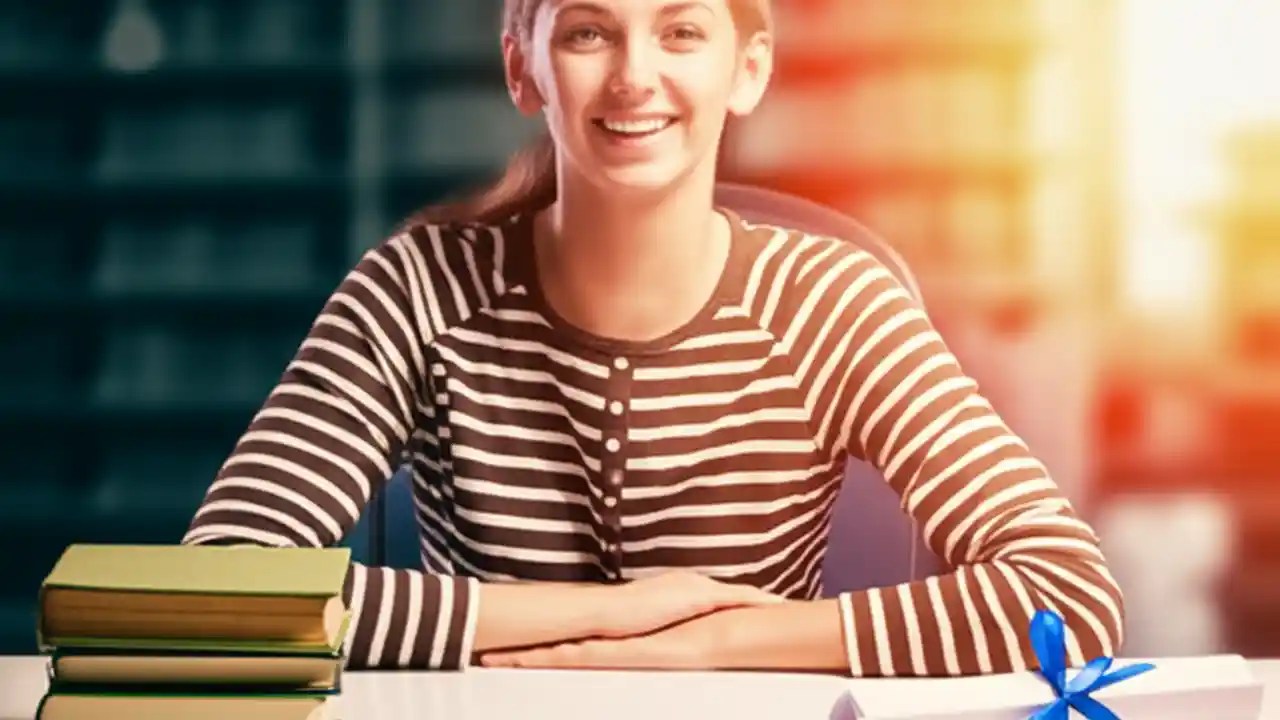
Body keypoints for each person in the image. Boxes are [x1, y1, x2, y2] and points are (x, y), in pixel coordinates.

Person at [183, 0, 1125, 676]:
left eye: (682, 30)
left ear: (746, 67)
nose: (636, 76)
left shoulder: (833, 301)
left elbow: (1069, 594)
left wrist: (714, 642)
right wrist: (608, 614)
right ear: (524, 65)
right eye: (588, 31)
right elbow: (214, 599)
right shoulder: (417, 289)